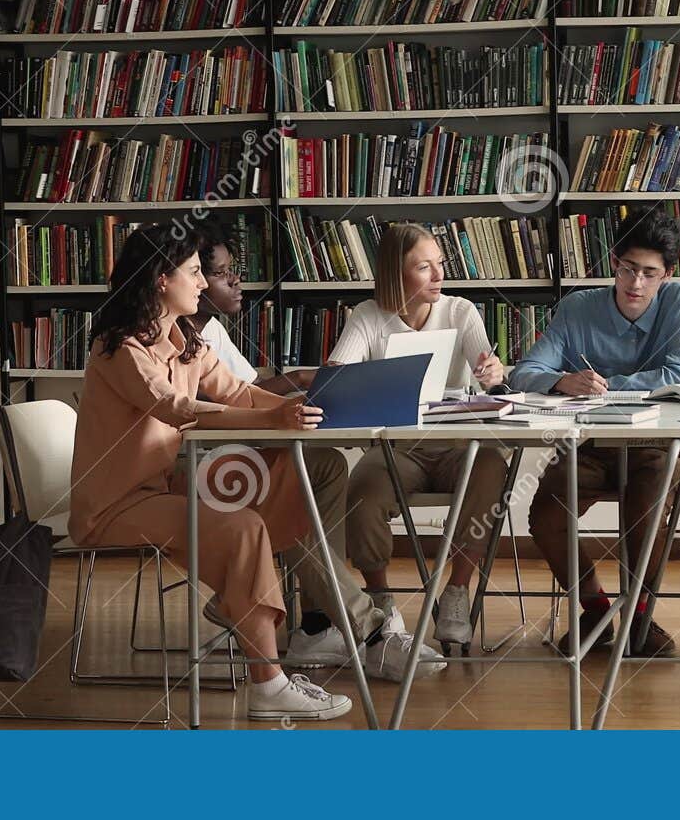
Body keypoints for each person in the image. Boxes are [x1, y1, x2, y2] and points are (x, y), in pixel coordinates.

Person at [68, 224, 442, 722]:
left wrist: (301, 406)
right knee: (243, 527)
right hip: (116, 505)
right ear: (161, 279)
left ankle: (248, 606)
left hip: (165, 488)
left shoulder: (185, 341)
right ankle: (269, 682)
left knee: (298, 474)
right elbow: (177, 408)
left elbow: (238, 393)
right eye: (196, 272)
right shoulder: (119, 348)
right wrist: (272, 418)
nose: (203, 284)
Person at [507, 206, 680, 657]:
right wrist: (560, 381)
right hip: (589, 445)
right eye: (629, 269)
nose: (636, 285)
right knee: (546, 514)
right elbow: (524, 372)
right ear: (614, 262)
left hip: (654, 446)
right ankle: (596, 609)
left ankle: (639, 617)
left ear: (666, 276)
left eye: (650, 274)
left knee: (645, 513)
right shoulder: (577, 307)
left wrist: (606, 389)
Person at [322, 223, 514, 649]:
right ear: (395, 274)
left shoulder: (460, 312)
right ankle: (378, 599)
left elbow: (493, 384)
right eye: (424, 267)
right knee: (362, 492)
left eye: (439, 264)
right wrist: (354, 376)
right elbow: (336, 379)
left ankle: (457, 592)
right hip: (397, 452)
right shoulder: (369, 316)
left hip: (457, 448)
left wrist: (495, 374)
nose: (439, 275)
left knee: (491, 467)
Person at [189, 221, 314, 394]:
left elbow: (251, 388)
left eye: (230, 269)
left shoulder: (212, 328)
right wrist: (300, 378)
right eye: (220, 272)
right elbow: (231, 399)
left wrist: (308, 377)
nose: (235, 279)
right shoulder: (167, 337)